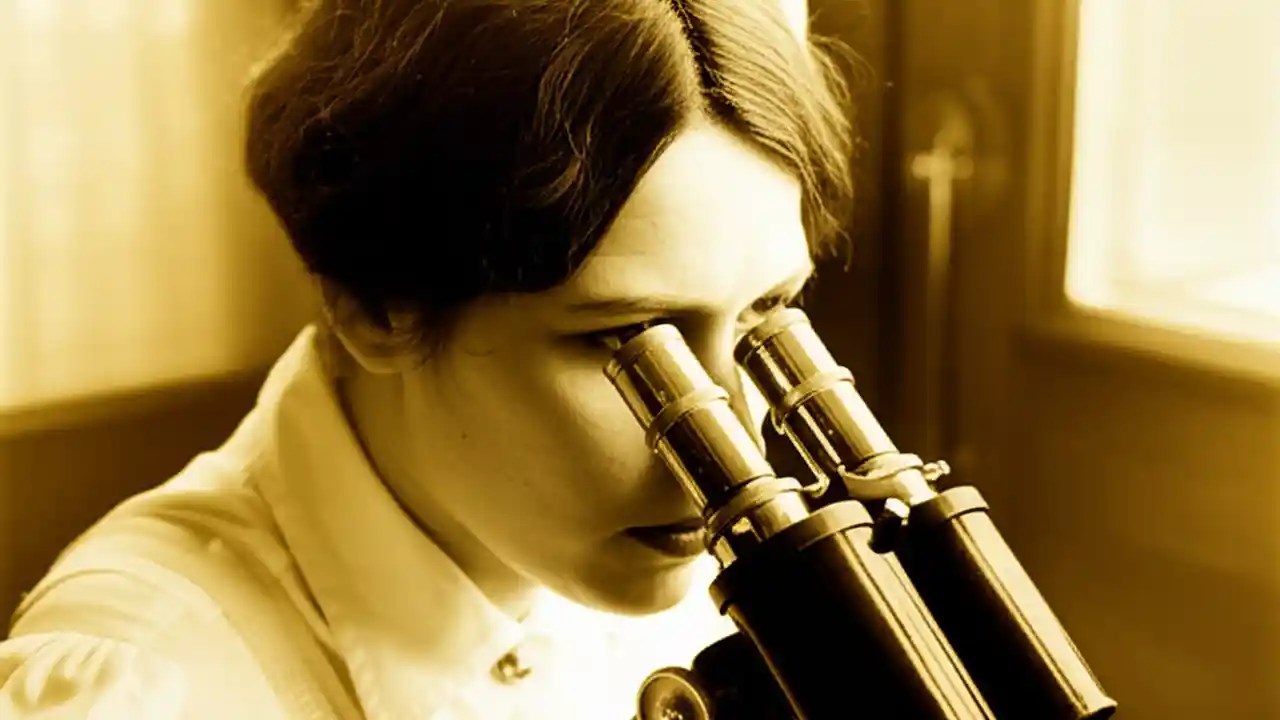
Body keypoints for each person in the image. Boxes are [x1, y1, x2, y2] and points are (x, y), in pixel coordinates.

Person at [0, 0, 856, 716]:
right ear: (373, 305)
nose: (737, 438)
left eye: (767, 312)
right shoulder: (146, 688)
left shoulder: (667, 569)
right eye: (625, 341)